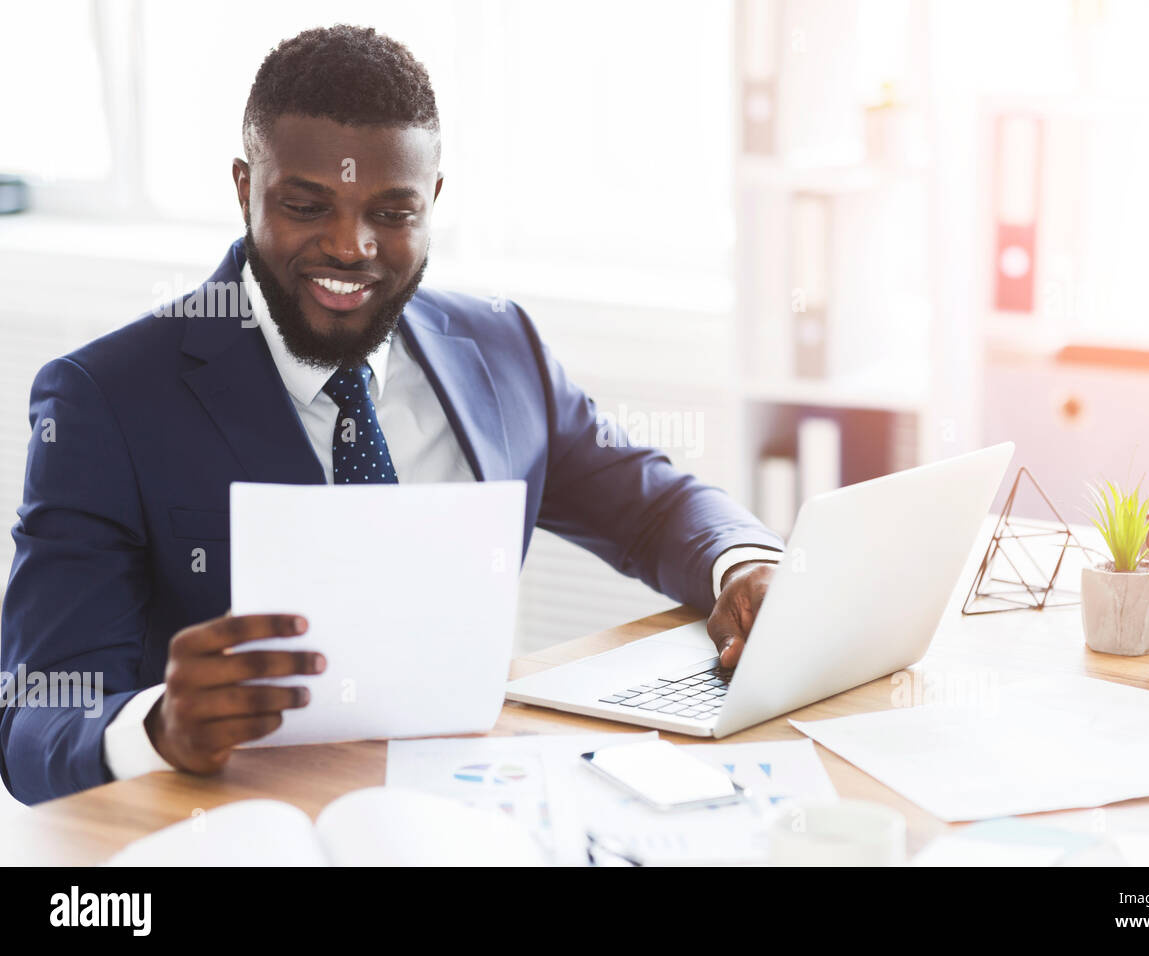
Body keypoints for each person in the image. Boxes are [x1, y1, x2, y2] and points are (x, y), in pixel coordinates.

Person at [0, 25, 782, 805]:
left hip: (465, 803)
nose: (351, 246)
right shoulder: (105, 399)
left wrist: (741, 564)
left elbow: (652, 507)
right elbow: (37, 721)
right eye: (308, 206)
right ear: (245, 188)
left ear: (433, 200)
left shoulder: (500, 347)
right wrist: (159, 726)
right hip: (234, 828)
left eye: (393, 213)